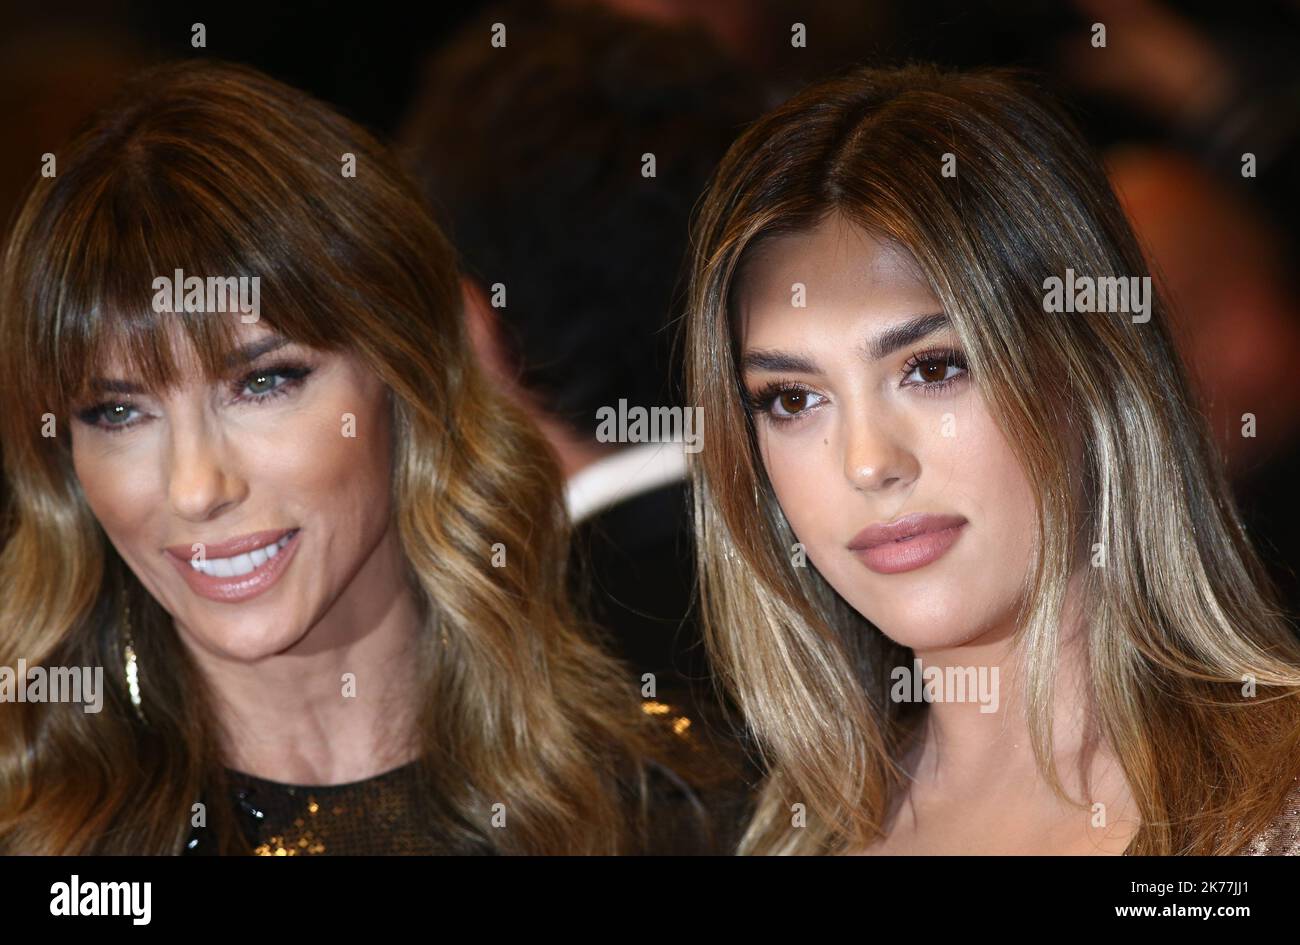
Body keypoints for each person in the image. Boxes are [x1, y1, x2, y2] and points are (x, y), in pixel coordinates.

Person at [0, 59, 712, 855]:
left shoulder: (664, 809)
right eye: (120, 412)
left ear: (410, 373)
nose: (197, 487)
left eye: (264, 382)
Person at [682, 63, 1300, 855]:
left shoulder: (1269, 817)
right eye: (793, 399)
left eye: (935, 367)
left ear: (1093, 372)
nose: (869, 463)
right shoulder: (779, 834)